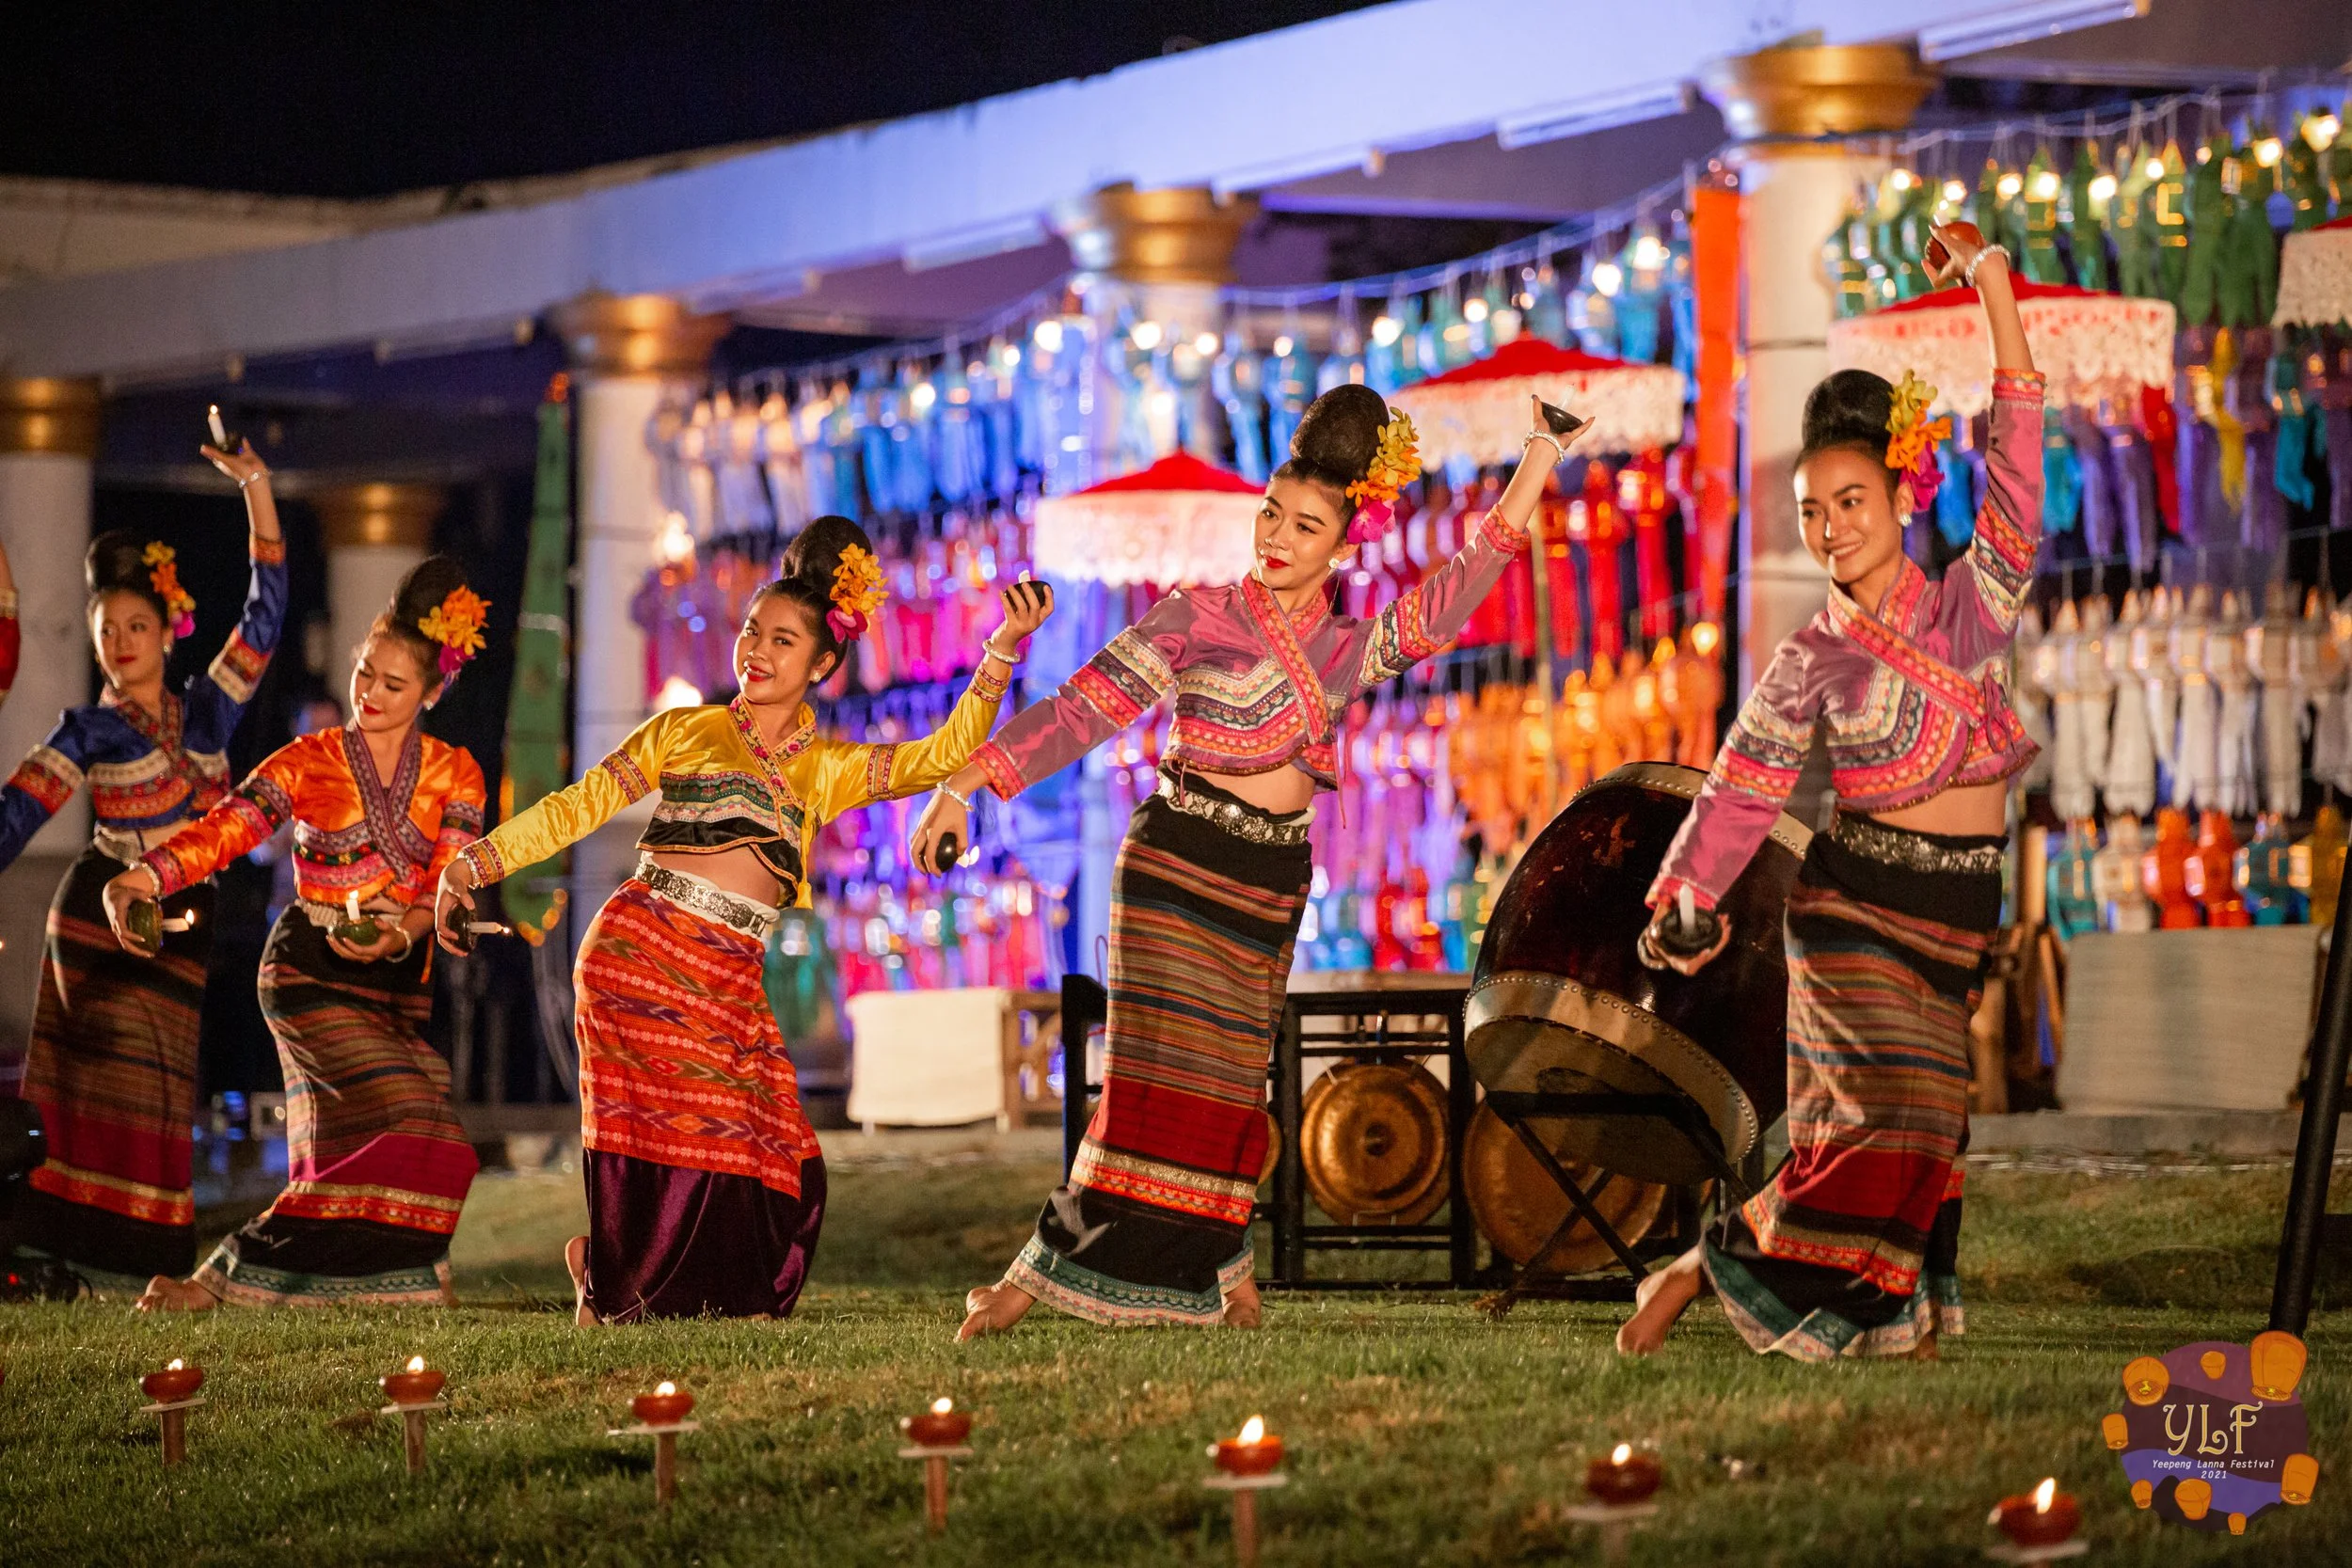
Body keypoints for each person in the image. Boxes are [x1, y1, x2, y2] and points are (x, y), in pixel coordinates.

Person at [946, 384, 1577, 1338]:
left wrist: (1538, 458)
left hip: (1270, 877)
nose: (1278, 536)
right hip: (1173, 864)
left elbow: (1447, 603)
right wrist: (967, 782)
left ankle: (1229, 1281)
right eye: (1271, 514)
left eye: (1305, 523)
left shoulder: (1341, 643)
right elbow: (1083, 706)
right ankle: (1031, 1278)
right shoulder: (1193, 615)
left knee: (1236, 1083)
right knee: (1148, 1082)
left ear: (1343, 541)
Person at [435, 516, 1048, 1324]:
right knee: (669, 1140)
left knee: (778, 1154)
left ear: (822, 663)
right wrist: (472, 864)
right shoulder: (686, 731)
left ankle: (624, 1272)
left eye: (783, 640)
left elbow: (938, 756)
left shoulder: (823, 769)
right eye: (753, 630)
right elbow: (576, 806)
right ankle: (618, 1283)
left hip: (729, 973)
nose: (757, 649)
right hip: (639, 951)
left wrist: (1001, 646)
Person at [1620, 221, 2042, 1362]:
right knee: (1882, 1116)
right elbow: (1743, 784)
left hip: (1957, 914)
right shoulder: (1809, 652)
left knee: (1931, 1120)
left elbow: (2016, 454)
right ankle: (1708, 1266)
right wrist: (1687, 896)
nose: (1827, 527)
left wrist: (1993, 282)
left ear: (1902, 492)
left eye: (1848, 499)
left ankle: (1881, 1308)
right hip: (1853, 905)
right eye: (1810, 508)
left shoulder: (1969, 603)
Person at [103, 557, 486, 1310]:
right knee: (424, 1120)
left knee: (369, 1142)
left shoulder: (457, 773)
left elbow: (452, 878)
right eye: (365, 674)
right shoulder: (311, 759)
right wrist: (143, 877)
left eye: (393, 684)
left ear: (433, 693)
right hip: (307, 969)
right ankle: (223, 1280)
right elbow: (227, 829)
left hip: (396, 977)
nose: (370, 695)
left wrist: (408, 932)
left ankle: (381, 1285)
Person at [0, 439, 285, 1294]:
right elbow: (15, 815)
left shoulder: (208, 710)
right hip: (96, 919)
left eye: (136, 627)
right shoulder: (89, 730)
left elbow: (266, 616)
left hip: (179, 925)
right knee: (96, 1090)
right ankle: (58, 1253)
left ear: (168, 630)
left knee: (160, 1092)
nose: (121, 643)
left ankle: (141, 1259)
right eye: (106, 632)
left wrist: (258, 490)